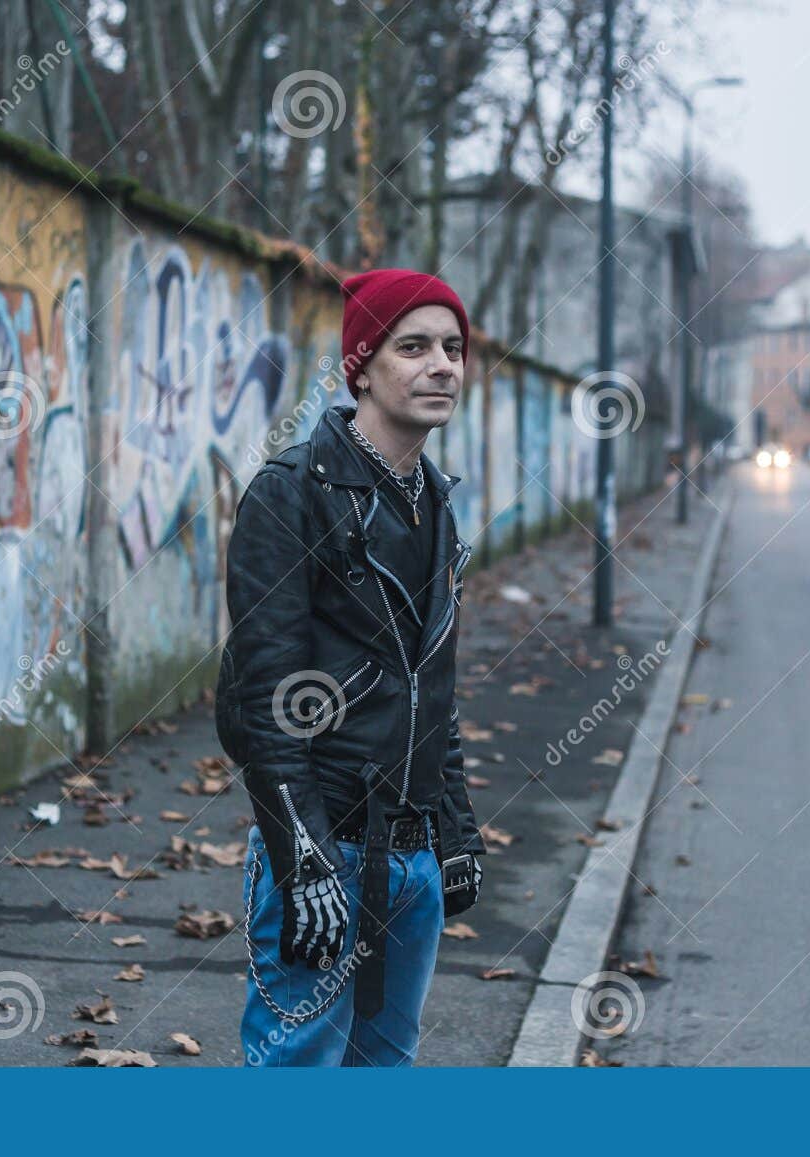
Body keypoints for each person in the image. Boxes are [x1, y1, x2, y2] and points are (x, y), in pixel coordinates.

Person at [216, 268, 486, 1066]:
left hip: (412, 860)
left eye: (453, 347)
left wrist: (455, 829)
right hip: (326, 847)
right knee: (296, 1075)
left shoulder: (433, 498)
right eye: (414, 346)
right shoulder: (290, 493)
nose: (442, 364)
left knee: (383, 1074)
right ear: (361, 367)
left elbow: (430, 684)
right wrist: (304, 861)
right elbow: (263, 698)